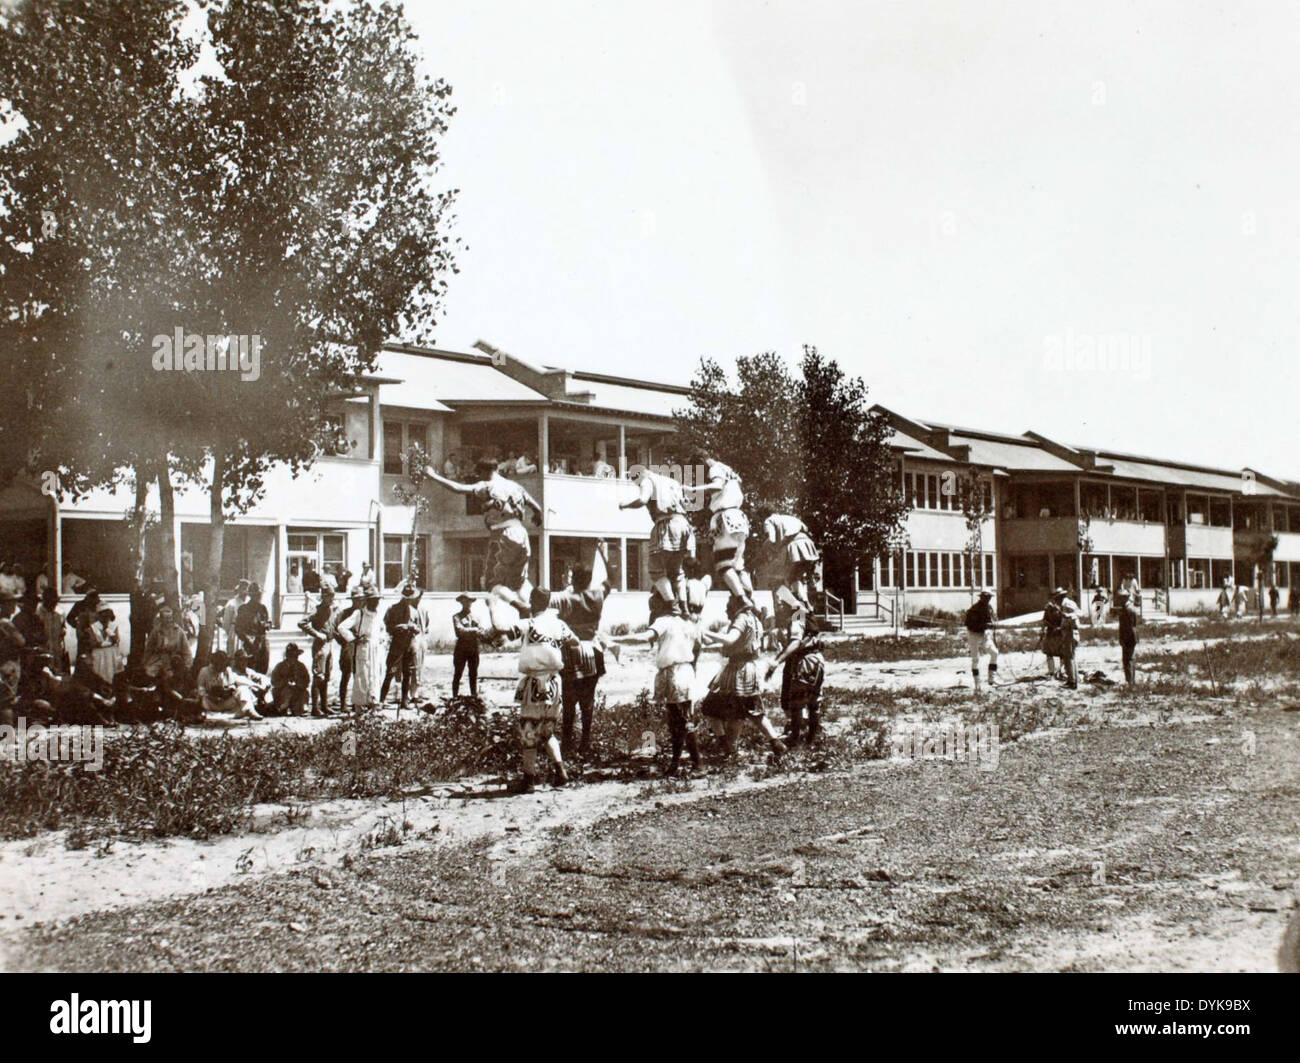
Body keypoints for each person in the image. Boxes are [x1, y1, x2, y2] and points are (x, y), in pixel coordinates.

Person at [424, 458, 543, 632]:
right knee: (519, 582)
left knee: (491, 583)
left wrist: (433, 476)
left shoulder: (487, 485)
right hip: (522, 534)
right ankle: (537, 617)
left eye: (479, 472)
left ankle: (519, 610)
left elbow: (458, 488)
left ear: (483, 471)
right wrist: (537, 515)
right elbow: (537, 507)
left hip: (503, 534)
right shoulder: (515, 486)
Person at [506, 588, 578, 793]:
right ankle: (561, 771)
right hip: (555, 682)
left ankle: (529, 780)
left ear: (532, 602)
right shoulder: (558, 624)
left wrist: (495, 606)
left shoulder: (529, 624)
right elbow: (575, 642)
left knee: (529, 730)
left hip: (536, 682)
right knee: (546, 731)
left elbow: (506, 631)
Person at [699, 593, 786, 756]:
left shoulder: (741, 619)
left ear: (738, 604)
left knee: (713, 708)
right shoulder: (752, 618)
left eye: (729, 604)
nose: (726, 608)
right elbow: (714, 640)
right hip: (747, 668)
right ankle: (776, 743)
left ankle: (727, 747)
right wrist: (701, 631)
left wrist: (705, 631)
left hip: (738, 670)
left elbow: (730, 640)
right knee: (751, 711)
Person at [543, 559, 610, 758]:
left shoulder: (565, 597)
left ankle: (567, 743)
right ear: (589, 579)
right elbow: (611, 580)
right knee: (587, 702)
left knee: (569, 700)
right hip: (593, 648)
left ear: (574, 578)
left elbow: (542, 601)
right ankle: (585, 743)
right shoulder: (597, 595)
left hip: (572, 650)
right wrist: (604, 555)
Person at [619, 464, 694, 617]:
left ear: (638, 475)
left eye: (636, 481)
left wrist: (625, 505)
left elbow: (643, 499)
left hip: (666, 524)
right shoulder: (670, 481)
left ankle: (673, 606)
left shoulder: (647, 480)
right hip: (684, 524)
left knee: (656, 570)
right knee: (677, 571)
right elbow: (686, 502)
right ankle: (684, 607)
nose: (638, 484)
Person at [685, 458, 754, 607]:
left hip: (726, 518)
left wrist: (694, 489)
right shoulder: (728, 470)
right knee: (738, 565)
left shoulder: (714, 469)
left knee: (723, 565)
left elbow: (717, 485)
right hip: (738, 519)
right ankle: (750, 597)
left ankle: (743, 599)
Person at [766, 586, 825, 746]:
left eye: (781, 602)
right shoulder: (807, 610)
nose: (780, 606)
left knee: (797, 703)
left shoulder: (797, 613)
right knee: (814, 702)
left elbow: (795, 642)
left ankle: (796, 738)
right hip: (817, 658)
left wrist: (776, 661)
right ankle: (811, 740)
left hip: (805, 660)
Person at [762, 514, 820, 612]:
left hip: (793, 547)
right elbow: (806, 529)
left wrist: (771, 549)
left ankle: (797, 606)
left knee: (776, 583)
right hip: (807, 545)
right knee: (794, 579)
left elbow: (771, 538)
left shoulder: (769, 520)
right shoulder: (792, 519)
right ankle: (805, 604)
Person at [336, 589, 382, 710]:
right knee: (362, 676)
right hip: (363, 648)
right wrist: (353, 639)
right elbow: (341, 627)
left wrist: (381, 640)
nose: (376, 603)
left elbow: (381, 630)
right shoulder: (359, 613)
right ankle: (359, 705)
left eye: (377, 600)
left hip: (375, 649)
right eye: (373, 600)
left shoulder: (377, 614)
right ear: (367, 601)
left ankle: (373, 702)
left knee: (375, 675)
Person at [298, 586, 339, 717]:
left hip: (329, 644)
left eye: (333, 596)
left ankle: (324, 706)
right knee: (318, 677)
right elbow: (302, 622)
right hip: (320, 645)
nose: (332, 598)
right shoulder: (317, 610)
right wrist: (316, 634)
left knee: (326, 677)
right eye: (329, 596)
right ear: (324, 596)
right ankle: (315, 708)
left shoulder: (331, 610)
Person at [380, 584, 421, 711]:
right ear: (402, 597)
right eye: (406, 598)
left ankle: (404, 700)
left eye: (410, 598)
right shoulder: (393, 609)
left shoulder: (414, 611)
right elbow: (388, 627)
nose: (408, 600)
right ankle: (381, 700)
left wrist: (414, 629)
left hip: (409, 645)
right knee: (390, 672)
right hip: (397, 646)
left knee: (407, 673)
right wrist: (400, 627)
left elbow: (419, 628)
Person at [143, 603, 192, 702]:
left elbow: (186, 651)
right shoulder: (156, 631)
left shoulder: (179, 632)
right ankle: (155, 696)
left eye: (170, 618)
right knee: (149, 672)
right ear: (161, 619)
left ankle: (171, 697)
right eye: (166, 618)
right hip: (158, 658)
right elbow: (149, 648)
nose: (168, 621)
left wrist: (187, 665)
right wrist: (145, 662)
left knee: (171, 676)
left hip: (173, 660)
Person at [197, 650, 262, 720]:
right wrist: (210, 695)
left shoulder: (227, 670)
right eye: (220, 664)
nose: (223, 666)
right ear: (214, 663)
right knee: (203, 700)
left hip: (226, 702)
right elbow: (200, 690)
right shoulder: (204, 671)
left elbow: (232, 684)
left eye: (224, 664)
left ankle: (249, 711)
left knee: (243, 689)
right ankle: (232, 714)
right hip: (212, 703)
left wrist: (229, 691)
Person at [333, 588, 365, 712]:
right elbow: (336, 630)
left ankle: (357, 702)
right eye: (357, 600)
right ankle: (342, 703)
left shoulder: (363, 614)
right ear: (353, 600)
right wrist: (345, 641)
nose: (359, 602)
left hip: (360, 647)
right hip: (348, 647)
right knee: (346, 675)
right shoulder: (344, 613)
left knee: (359, 676)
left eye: (361, 600)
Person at [964, 589, 999, 694]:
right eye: (986, 597)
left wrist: (993, 623)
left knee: (994, 653)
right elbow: (969, 625)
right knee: (975, 659)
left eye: (989, 597)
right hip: (974, 635)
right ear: (981, 597)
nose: (988, 599)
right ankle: (977, 684)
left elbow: (994, 618)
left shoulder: (989, 608)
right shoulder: (974, 609)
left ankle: (991, 679)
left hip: (984, 634)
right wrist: (984, 625)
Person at [234, 583, 272, 674]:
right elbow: (238, 628)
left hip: (262, 641)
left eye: (259, 594)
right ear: (251, 596)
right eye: (257, 595)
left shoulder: (262, 608)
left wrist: (266, 625)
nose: (259, 596)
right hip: (250, 642)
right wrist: (248, 640)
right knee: (250, 668)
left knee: (263, 668)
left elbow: (269, 622)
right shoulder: (243, 609)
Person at [451, 593, 483, 698]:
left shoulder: (476, 617)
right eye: (465, 601)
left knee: (473, 673)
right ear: (461, 602)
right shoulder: (456, 617)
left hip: (474, 649)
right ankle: (454, 696)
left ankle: (474, 695)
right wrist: (474, 630)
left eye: (469, 601)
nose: (467, 603)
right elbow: (459, 631)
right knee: (458, 673)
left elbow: (482, 631)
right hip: (461, 649)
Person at [271, 643, 311, 716]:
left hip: (297, 692)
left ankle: (301, 706)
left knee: (304, 694)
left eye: (295, 656)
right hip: (282, 693)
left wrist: (297, 683)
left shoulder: (301, 666)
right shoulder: (280, 666)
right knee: (286, 692)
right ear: (287, 656)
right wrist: (285, 682)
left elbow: (307, 681)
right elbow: (274, 682)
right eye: (291, 656)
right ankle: (283, 706)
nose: (293, 658)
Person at [36, 586, 69, 674]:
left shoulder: (60, 612)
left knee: (58, 674)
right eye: (50, 600)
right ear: (44, 600)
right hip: (44, 648)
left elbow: (63, 626)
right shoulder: (38, 613)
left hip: (57, 647)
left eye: (55, 601)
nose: (53, 603)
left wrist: (63, 631)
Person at [1115, 589, 1140, 684]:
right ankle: (1131, 680)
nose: (1119, 599)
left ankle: (1130, 681)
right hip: (1131, 636)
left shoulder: (1128, 609)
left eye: (1121, 598)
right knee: (1130, 658)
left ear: (1125, 598)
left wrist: (1123, 639)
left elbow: (1129, 626)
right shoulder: (1128, 608)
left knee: (1127, 659)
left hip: (1129, 636)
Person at [221, 579, 251, 655]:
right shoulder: (232, 603)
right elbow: (226, 622)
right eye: (243, 589)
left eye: (246, 589)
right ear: (239, 590)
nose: (245, 591)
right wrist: (231, 631)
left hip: (248, 632)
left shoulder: (250, 603)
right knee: (234, 653)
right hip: (235, 631)